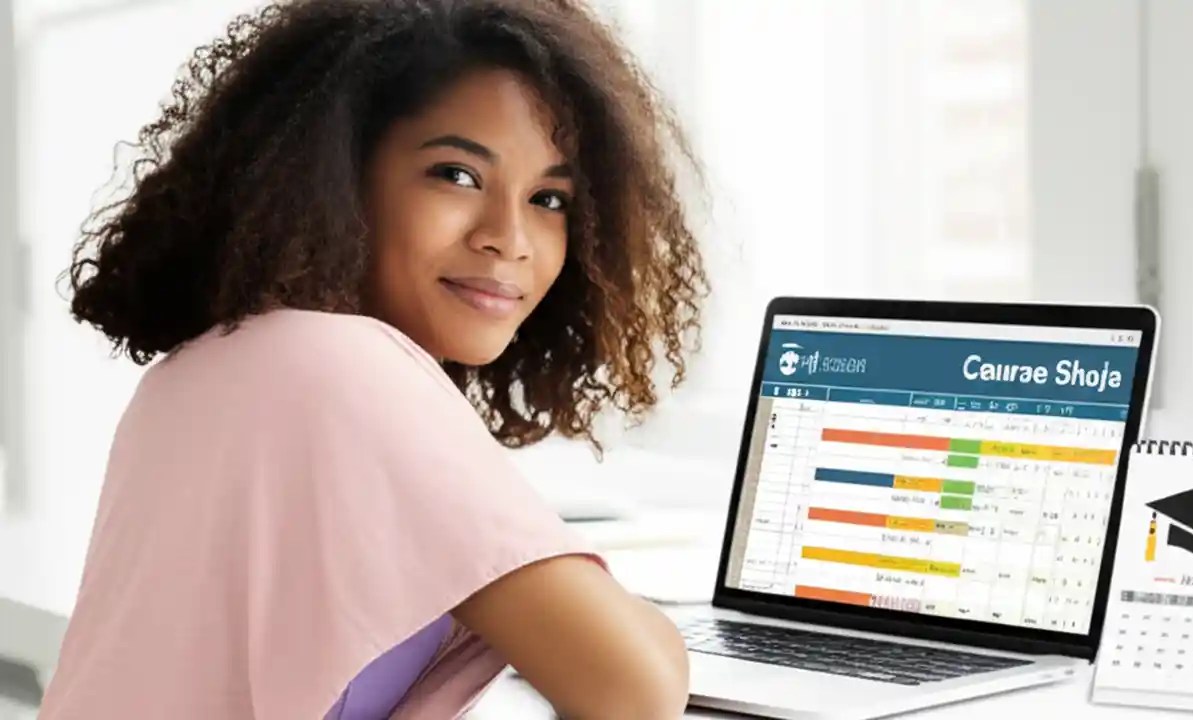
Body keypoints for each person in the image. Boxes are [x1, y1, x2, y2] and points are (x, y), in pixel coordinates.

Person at [39, 0, 707, 717]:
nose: (509, 237)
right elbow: (633, 687)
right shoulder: (334, 362)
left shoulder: (212, 365)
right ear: (333, 173)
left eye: (549, 198)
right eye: (456, 175)